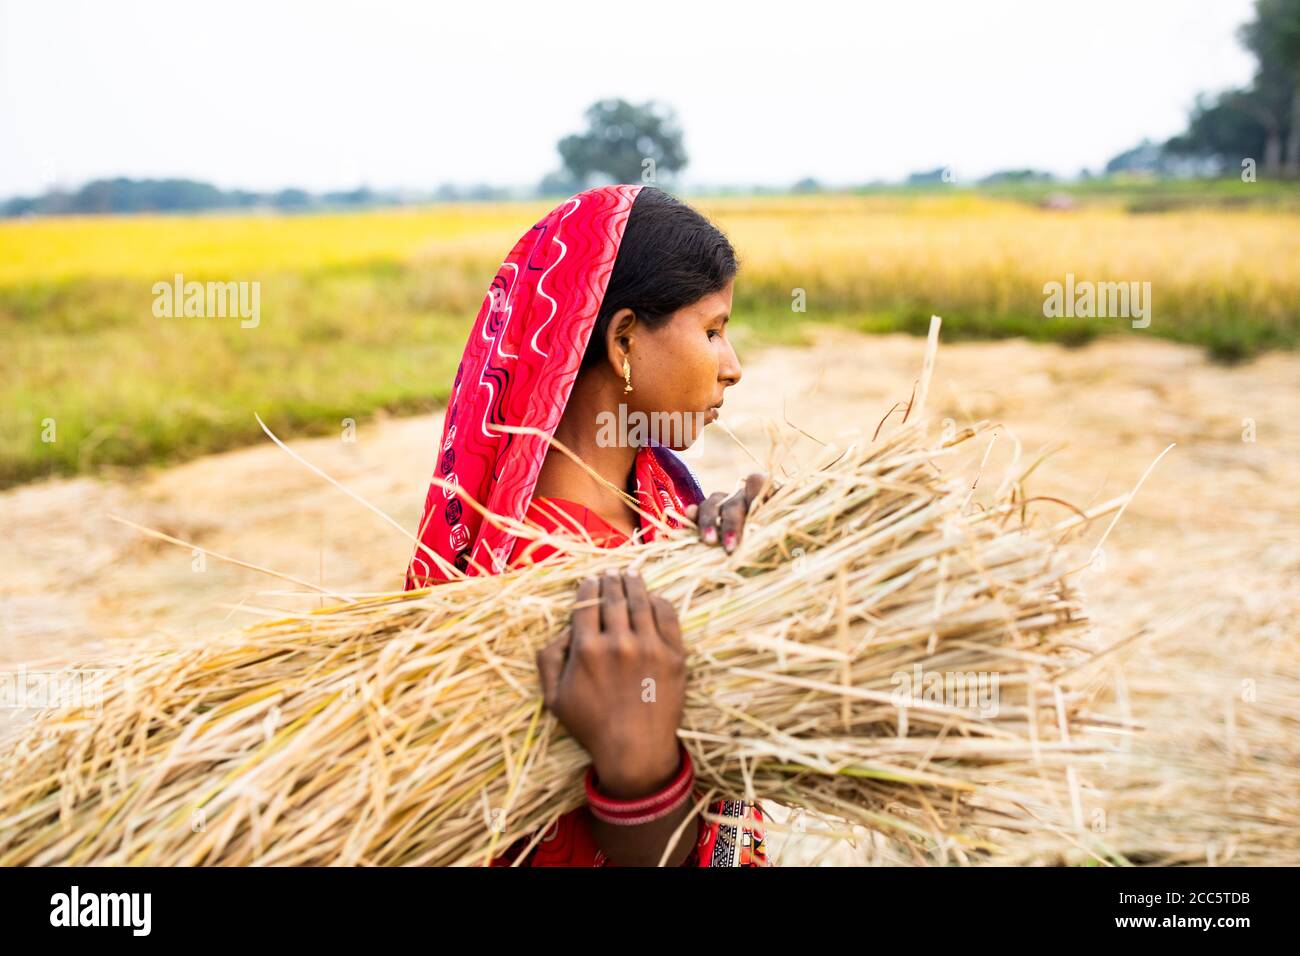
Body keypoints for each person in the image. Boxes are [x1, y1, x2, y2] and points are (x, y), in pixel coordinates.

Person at [404, 183, 770, 866]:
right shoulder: (533, 584)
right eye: (713, 331)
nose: (732, 367)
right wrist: (640, 776)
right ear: (624, 338)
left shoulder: (666, 501)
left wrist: (765, 564)